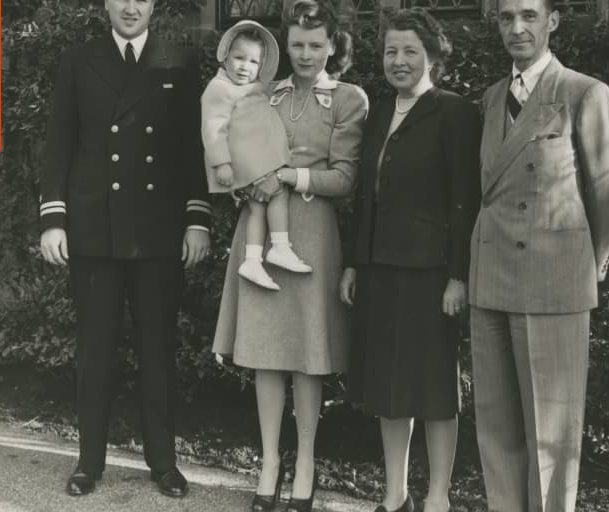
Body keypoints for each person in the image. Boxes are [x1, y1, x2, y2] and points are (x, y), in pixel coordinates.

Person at [37, 0, 212, 499]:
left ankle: (163, 463)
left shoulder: (178, 59)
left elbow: (189, 148)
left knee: (158, 350)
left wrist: (196, 218)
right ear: (106, 4)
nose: (131, 6)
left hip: (157, 232)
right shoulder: (78, 59)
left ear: (154, 4)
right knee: (95, 352)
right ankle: (89, 462)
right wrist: (54, 219)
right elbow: (59, 144)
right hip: (95, 232)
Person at [468, 0, 609, 510]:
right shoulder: (493, 97)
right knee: (497, 424)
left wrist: (587, 264)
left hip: (553, 282)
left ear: (552, 21)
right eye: (506, 18)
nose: (517, 28)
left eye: (529, 16)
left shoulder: (583, 92)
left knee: (551, 434)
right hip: (491, 275)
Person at [211, 1, 368, 510]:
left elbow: (345, 179)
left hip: (313, 235)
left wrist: (287, 177)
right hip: (259, 228)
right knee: (265, 354)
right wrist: (238, 184)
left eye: (315, 45)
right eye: (296, 44)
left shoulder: (347, 99)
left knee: (306, 357)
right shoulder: (264, 91)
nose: (304, 54)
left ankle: (305, 461)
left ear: (332, 46)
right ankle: (269, 462)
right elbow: (232, 142)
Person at [340, 8, 481, 512]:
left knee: (436, 387)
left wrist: (458, 277)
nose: (398, 61)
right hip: (381, 271)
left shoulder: (455, 111)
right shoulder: (378, 111)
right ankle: (395, 495)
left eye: (410, 52)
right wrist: (357, 262)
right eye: (391, 52)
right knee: (388, 386)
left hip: (431, 275)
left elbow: (465, 200)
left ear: (433, 57)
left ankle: (438, 496)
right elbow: (367, 199)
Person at [202, 19, 313, 292]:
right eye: (239, 58)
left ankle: (252, 259)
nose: (245, 67)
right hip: (241, 159)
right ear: (225, 55)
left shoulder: (251, 87)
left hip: (253, 157)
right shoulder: (219, 89)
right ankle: (279, 246)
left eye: (253, 62)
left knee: (258, 207)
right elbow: (213, 128)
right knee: (277, 193)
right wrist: (222, 163)